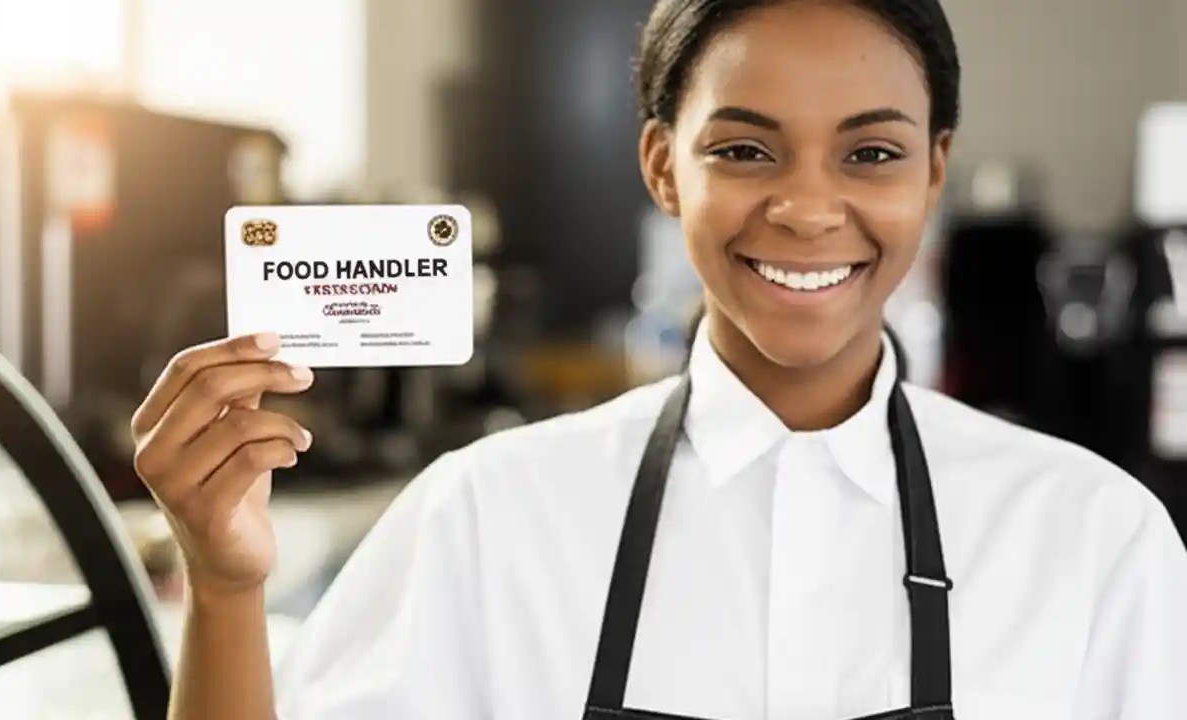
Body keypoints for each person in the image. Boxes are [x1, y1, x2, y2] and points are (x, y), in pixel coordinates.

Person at [130, 1, 1187, 718]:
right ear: (660, 166)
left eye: (869, 153)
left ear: (932, 171)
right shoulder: (484, 514)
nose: (807, 208)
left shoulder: (1093, 537)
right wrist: (225, 592)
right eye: (741, 148)